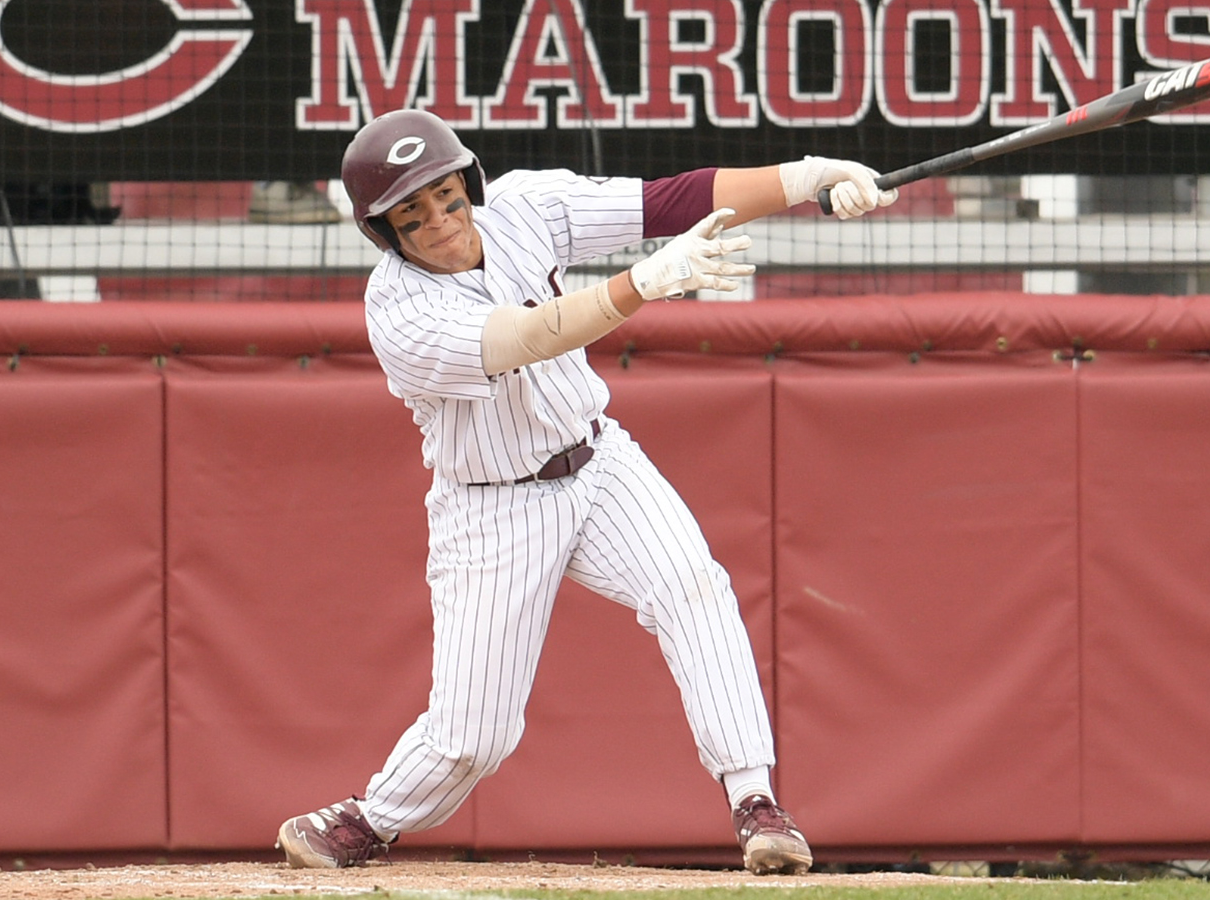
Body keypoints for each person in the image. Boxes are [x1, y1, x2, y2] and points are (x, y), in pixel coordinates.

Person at [276, 108, 896, 875]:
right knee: (476, 735)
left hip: (599, 460)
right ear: (388, 232)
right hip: (492, 504)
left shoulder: (523, 207)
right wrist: (640, 285)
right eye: (412, 213)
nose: (439, 221)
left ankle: (755, 802)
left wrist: (808, 178)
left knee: (693, 587)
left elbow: (671, 200)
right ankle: (368, 818)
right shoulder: (397, 309)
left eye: (445, 195)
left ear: (467, 182)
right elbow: (525, 337)